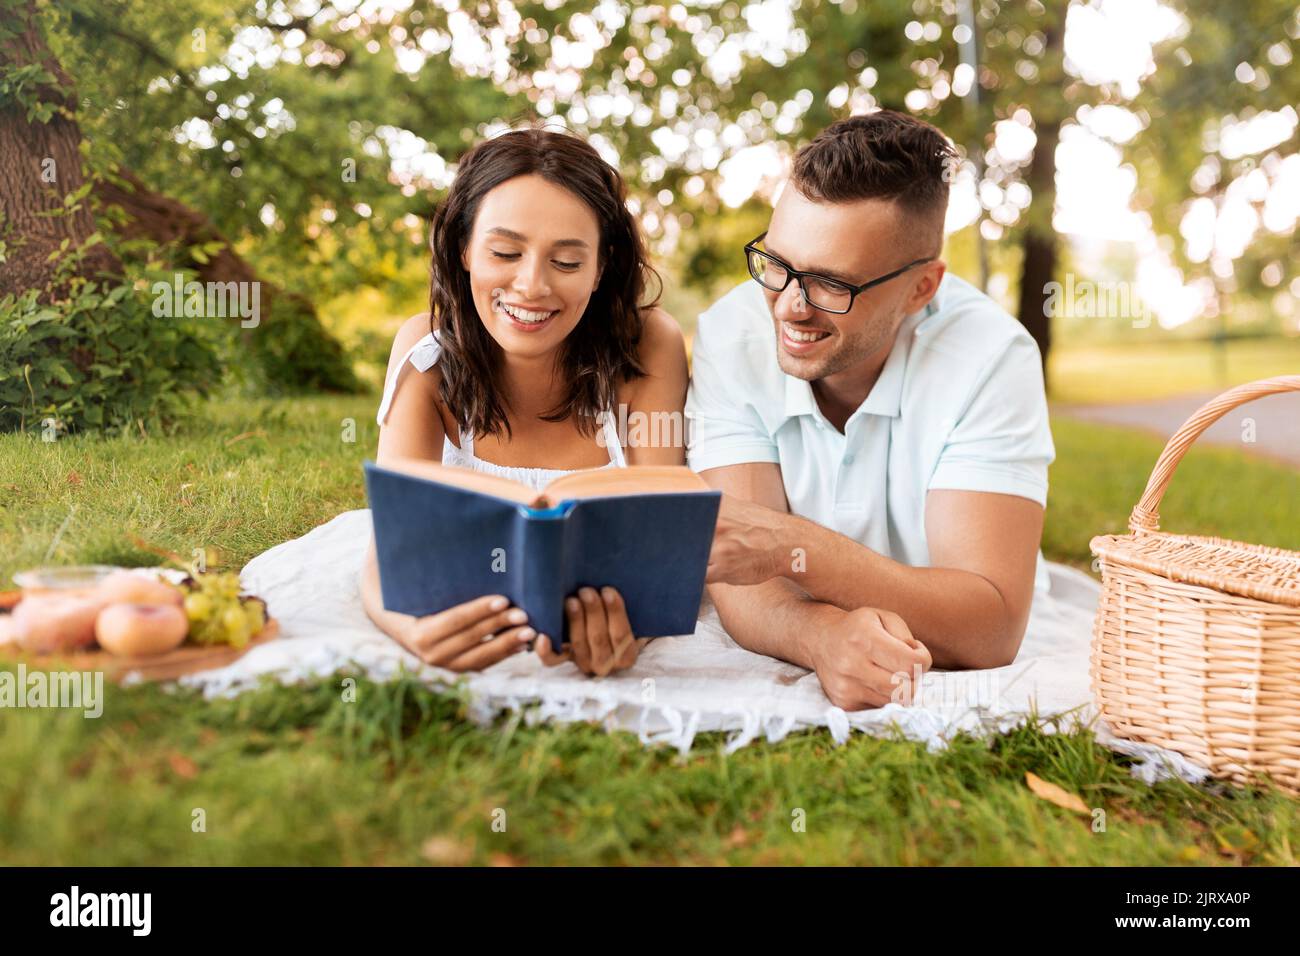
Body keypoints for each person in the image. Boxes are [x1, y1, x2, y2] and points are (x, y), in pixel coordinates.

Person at [686, 110, 1055, 711]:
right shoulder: (730, 336)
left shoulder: (991, 358)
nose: (789, 308)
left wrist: (787, 544)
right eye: (776, 265)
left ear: (921, 288)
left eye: (833, 284)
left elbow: (990, 627)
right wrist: (819, 634)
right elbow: (739, 576)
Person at [362, 126, 688, 676]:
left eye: (565, 263)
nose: (532, 286)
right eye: (506, 252)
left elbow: (663, 544)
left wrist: (632, 626)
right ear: (464, 248)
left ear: (601, 267)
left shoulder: (649, 343)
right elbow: (388, 542)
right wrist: (412, 630)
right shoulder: (426, 351)